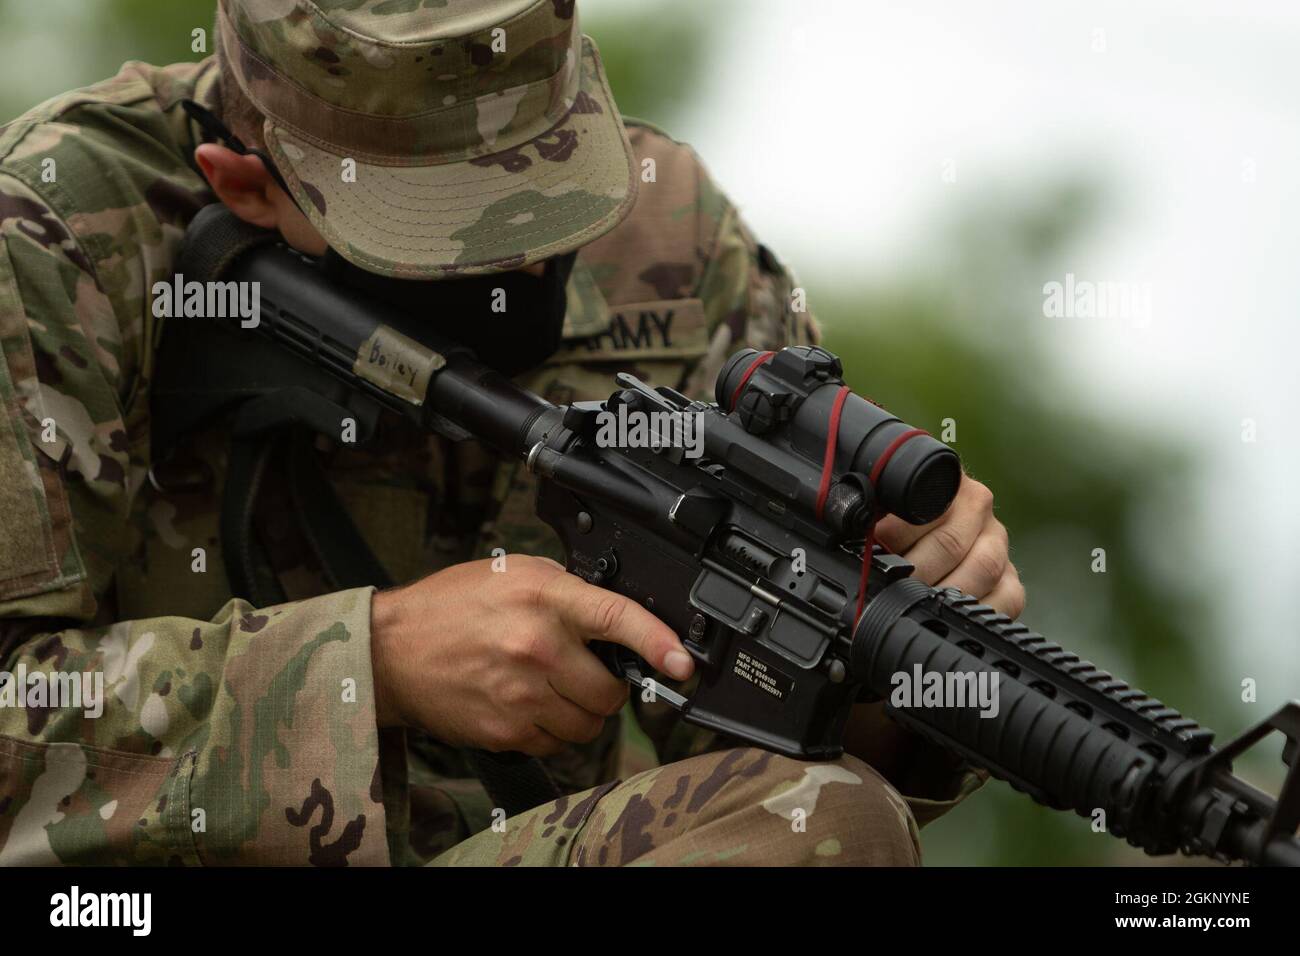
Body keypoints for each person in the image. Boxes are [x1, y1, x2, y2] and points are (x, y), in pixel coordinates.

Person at [0, 0, 1023, 866]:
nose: (531, 265)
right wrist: (372, 662)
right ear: (247, 185)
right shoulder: (59, 237)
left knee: (827, 821)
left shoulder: (669, 244)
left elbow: (745, 740)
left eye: (550, 189)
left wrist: (894, 653)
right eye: (451, 226)